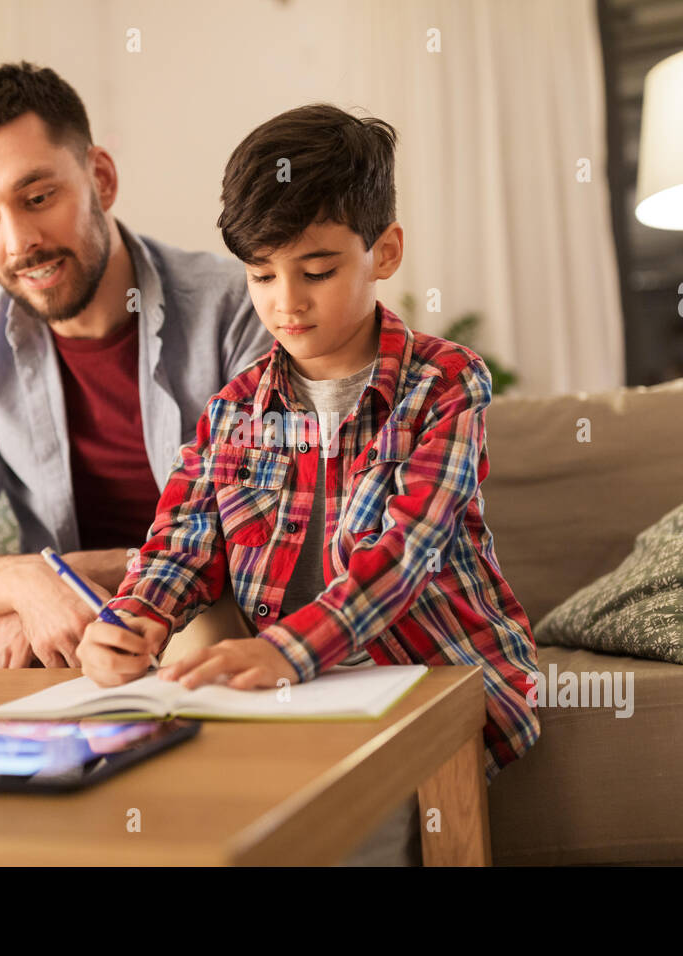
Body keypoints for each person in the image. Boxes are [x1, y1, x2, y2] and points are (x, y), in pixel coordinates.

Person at [76, 104, 542, 865]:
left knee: (347, 836)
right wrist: (133, 617)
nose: (284, 301)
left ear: (384, 251)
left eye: (317, 271)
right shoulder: (234, 408)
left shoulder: (447, 383)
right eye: (261, 274)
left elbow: (406, 551)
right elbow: (180, 542)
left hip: (432, 682)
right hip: (287, 695)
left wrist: (289, 650)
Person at [0, 61, 272, 695]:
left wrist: (61, 579)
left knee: (203, 644)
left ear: (101, 179)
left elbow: (261, 529)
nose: (18, 242)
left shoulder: (235, 307)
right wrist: (22, 588)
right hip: (53, 623)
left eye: (37, 199)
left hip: (194, 603)